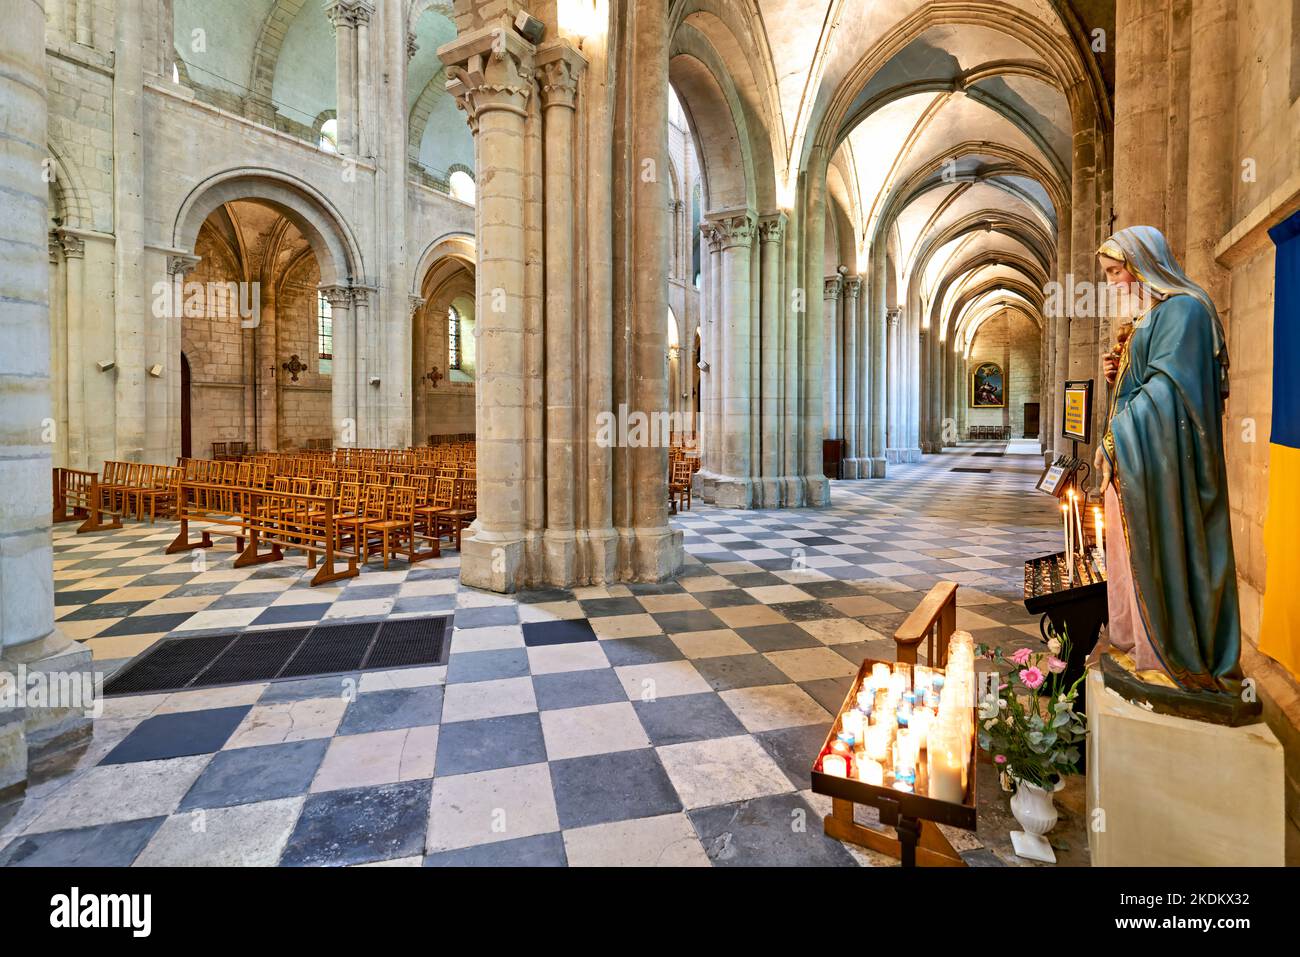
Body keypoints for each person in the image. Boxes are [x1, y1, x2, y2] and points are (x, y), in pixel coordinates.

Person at [1094, 226, 1242, 694]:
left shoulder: (1184, 310)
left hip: (1166, 466)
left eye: (1118, 271)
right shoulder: (1158, 314)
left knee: (1165, 548)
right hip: (1145, 463)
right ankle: (1142, 644)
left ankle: (1175, 653)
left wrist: (1116, 437)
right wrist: (1120, 370)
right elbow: (1147, 379)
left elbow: (1169, 397)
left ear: (1145, 263)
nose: (1115, 282)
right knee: (1131, 551)